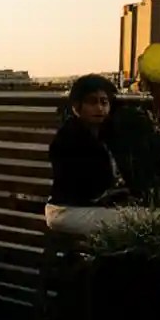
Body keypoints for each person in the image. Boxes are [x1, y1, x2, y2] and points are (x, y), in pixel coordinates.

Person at [45, 74, 133, 235]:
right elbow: (87, 190)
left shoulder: (103, 135)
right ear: (76, 107)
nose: (100, 108)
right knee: (145, 221)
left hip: (85, 208)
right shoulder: (68, 139)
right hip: (67, 212)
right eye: (92, 102)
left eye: (104, 102)